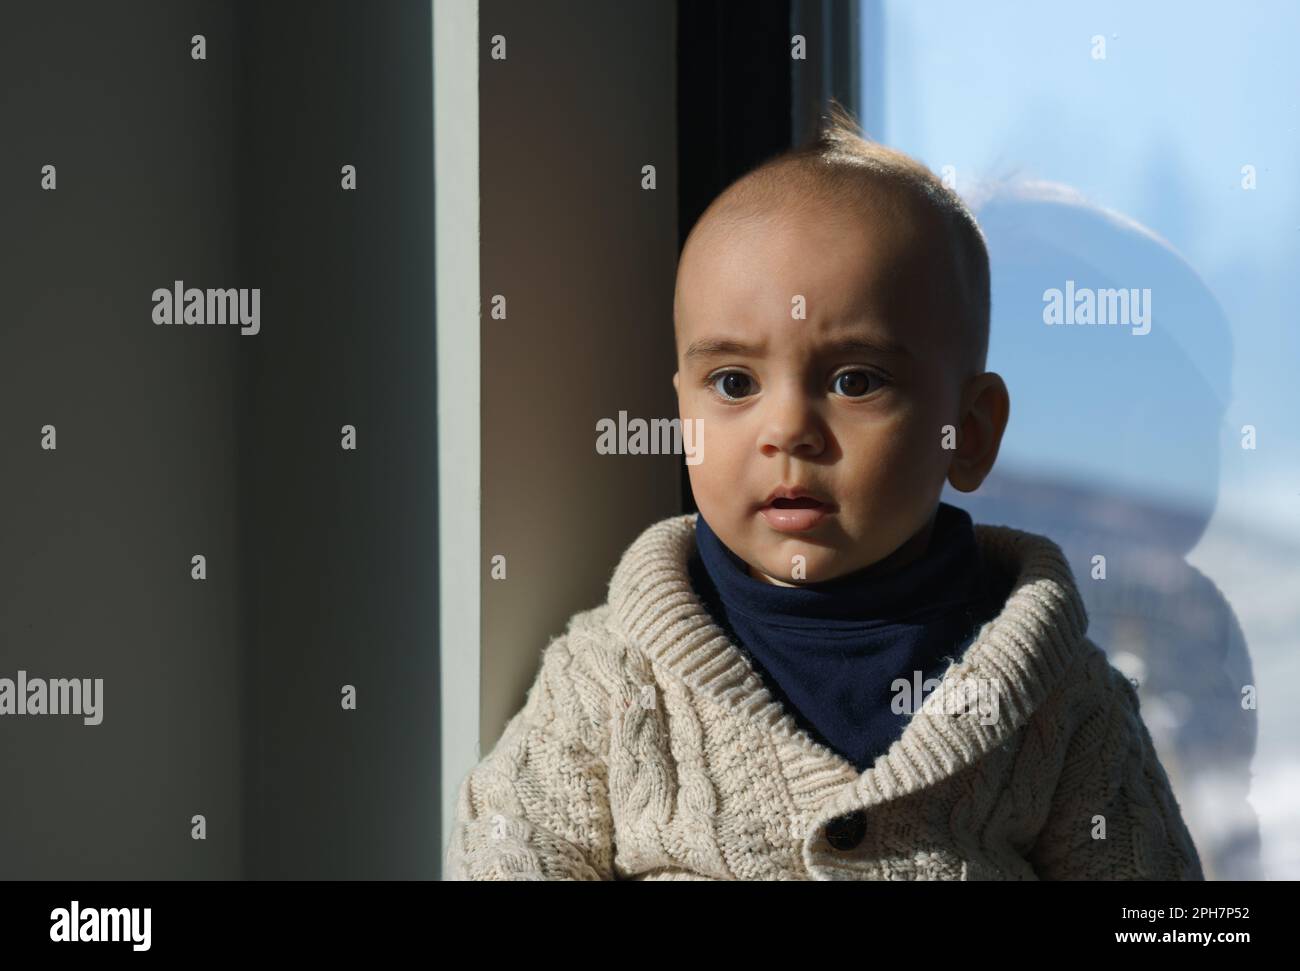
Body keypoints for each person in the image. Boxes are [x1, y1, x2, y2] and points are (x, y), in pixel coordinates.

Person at [443, 104, 1204, 881]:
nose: (788, 430)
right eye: (734, 382)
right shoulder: (610, 677)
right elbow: (506, 858)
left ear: (968, 433)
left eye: (855, 380)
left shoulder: (1061, 698)